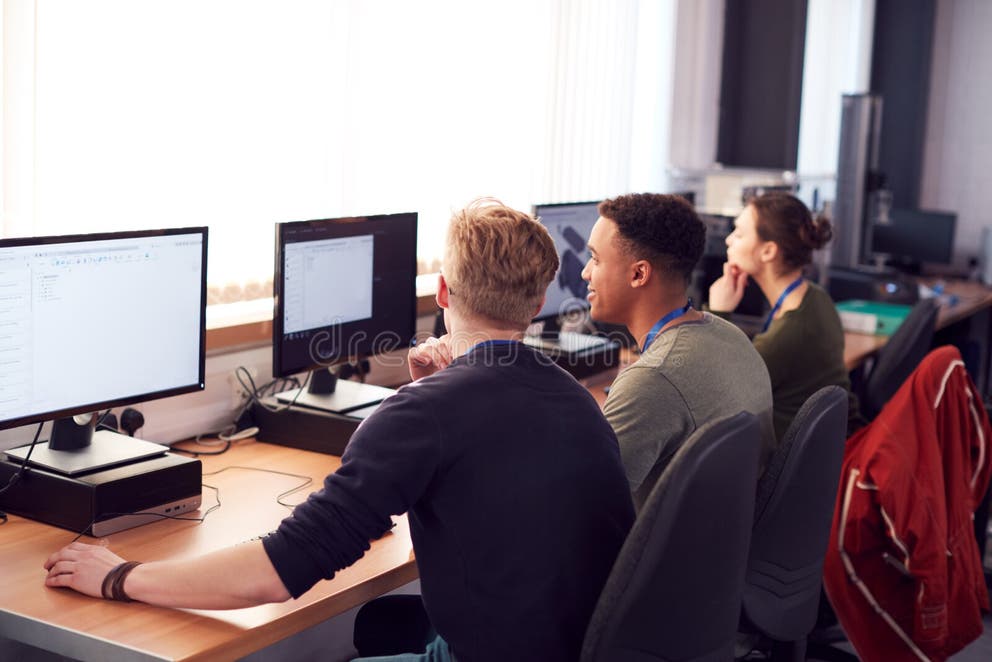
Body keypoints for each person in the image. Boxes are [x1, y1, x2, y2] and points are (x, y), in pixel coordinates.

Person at [44, 199, 636, 662]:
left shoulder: (427, 414)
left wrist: (120, 577)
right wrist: (439, 391)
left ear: (443, 292)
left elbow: (276, 575)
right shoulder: (575, 398)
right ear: (535, 303)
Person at [581, 192, 774, 509]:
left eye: (596, 259)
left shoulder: (653, 380)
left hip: (665, 556)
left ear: (638, 274)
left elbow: (583, 505)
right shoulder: (731, 336)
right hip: (728, 543)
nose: (586, 272)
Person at [708, 192, 862, 442]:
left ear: (768, 251)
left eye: (738, 233)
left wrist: (718, 311)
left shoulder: (789, 333)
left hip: (785, 469)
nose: (728, 240)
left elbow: (715, 392)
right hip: (829, 450)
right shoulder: (816, 297)